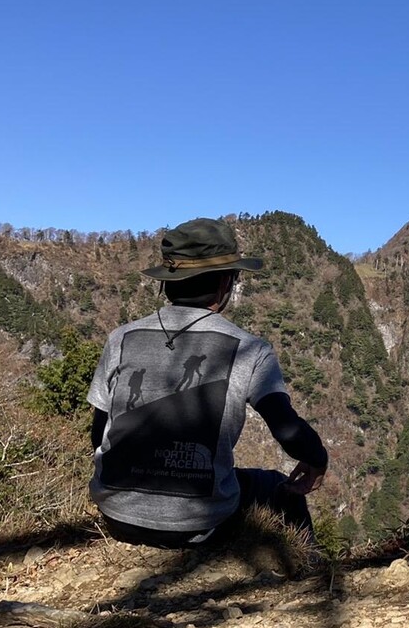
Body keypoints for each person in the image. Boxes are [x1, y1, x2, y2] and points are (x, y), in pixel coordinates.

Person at [87, 217, 328, 548]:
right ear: (226, 283)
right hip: (198, 525)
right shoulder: (249, 349)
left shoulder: (120, 338)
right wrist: (317, 459)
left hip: (116, 515)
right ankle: (311, 577)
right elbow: (287, 430)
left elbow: (99, 432)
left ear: (168, 282)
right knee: (276, 487)